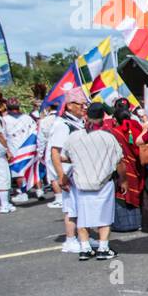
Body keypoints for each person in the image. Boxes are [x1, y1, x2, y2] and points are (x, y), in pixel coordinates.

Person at [61, 103, 127, 260]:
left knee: (83, 217)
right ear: (103, 118)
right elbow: (119, 161)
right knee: (104, 217)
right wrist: (124, 181)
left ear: (86, 116)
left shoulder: (74, 137)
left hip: (81, 184)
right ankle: (103, 248)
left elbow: (63, 157)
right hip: (103, 183)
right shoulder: (108, 138)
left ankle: (85, 248)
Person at [48, 92, 87, 252]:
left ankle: (82, 236)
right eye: (80, 105)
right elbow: (55, 152)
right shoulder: (63, 125)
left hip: (81, 172)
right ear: (69, 105)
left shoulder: (78, 123)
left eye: (85, 105)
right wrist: (61, 176)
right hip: (69, 173)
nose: (84, 108)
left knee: (82, 207)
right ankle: (70, 239)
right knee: (72, 208)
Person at [104, 98, 144, 232]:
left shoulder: (114, 131)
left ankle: (124, 224)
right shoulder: (137, 124)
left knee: (122, 191)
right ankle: (138, 221)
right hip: (136, 164)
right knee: (136, 190)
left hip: (122, 165)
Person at [3, 99, 35, 205]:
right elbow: (34, 131)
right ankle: (40, 191)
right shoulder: (27, 117)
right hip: (28, 147)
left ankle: (23, 192)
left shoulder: (4, 119)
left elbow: (2, 135)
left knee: (18, 172)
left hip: (14, 149)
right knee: (30, 168)